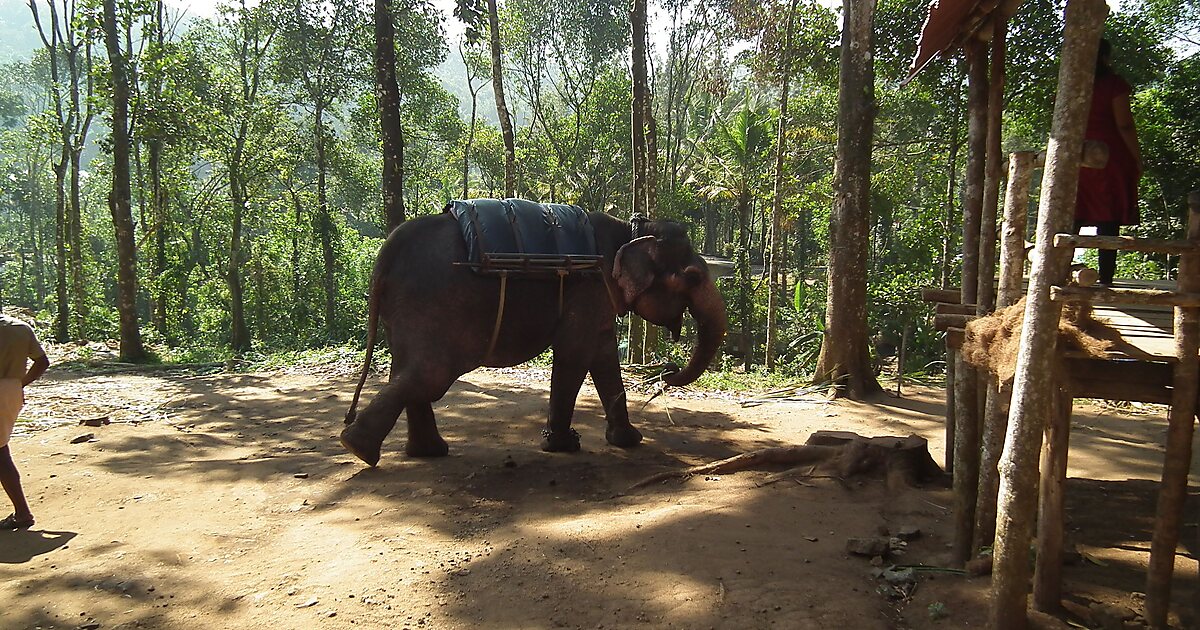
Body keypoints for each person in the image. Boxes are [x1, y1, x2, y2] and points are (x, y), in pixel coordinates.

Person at [1075, 38, 1143, 286]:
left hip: (1079, 156)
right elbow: (1124, 124)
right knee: (1108, 217)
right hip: (1110, 157)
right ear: (1106, 58)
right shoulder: (1114, 85)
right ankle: (1105, 277)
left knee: (1075, 215)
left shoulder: (1074, 85)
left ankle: (1059, 270)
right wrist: (1137, 157)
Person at [0, 313, 49, 531]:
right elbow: (42, 361)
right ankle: (22, 512)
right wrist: (19, 384)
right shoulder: (20, 327)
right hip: (10, 391)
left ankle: (23, 513)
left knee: (1, 454)